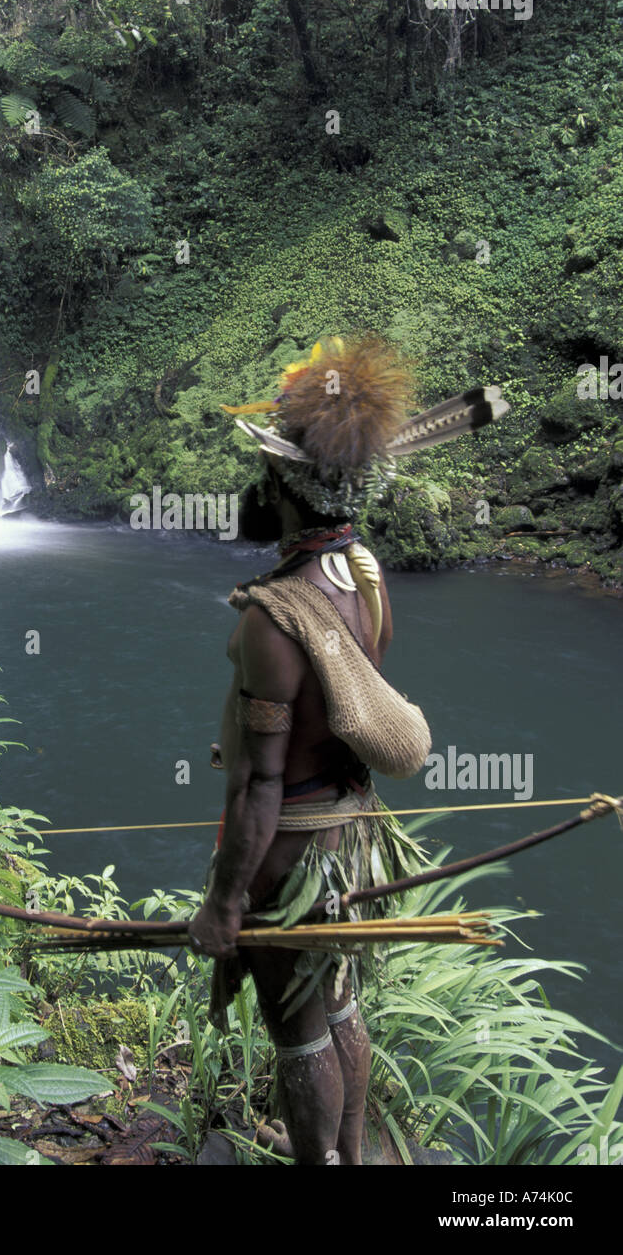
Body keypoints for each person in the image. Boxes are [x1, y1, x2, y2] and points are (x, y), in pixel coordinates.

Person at [187, 336, 509, 1165]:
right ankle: (353, 1155)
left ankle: (318, 1163)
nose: (253, 491)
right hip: (346, 837)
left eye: (263, 480)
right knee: (337, 1006)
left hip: (288, 853)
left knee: (297, 1031)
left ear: (283, 489)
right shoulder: (360, 574)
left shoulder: (273, 618)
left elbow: (258, 783)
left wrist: (225, 903)